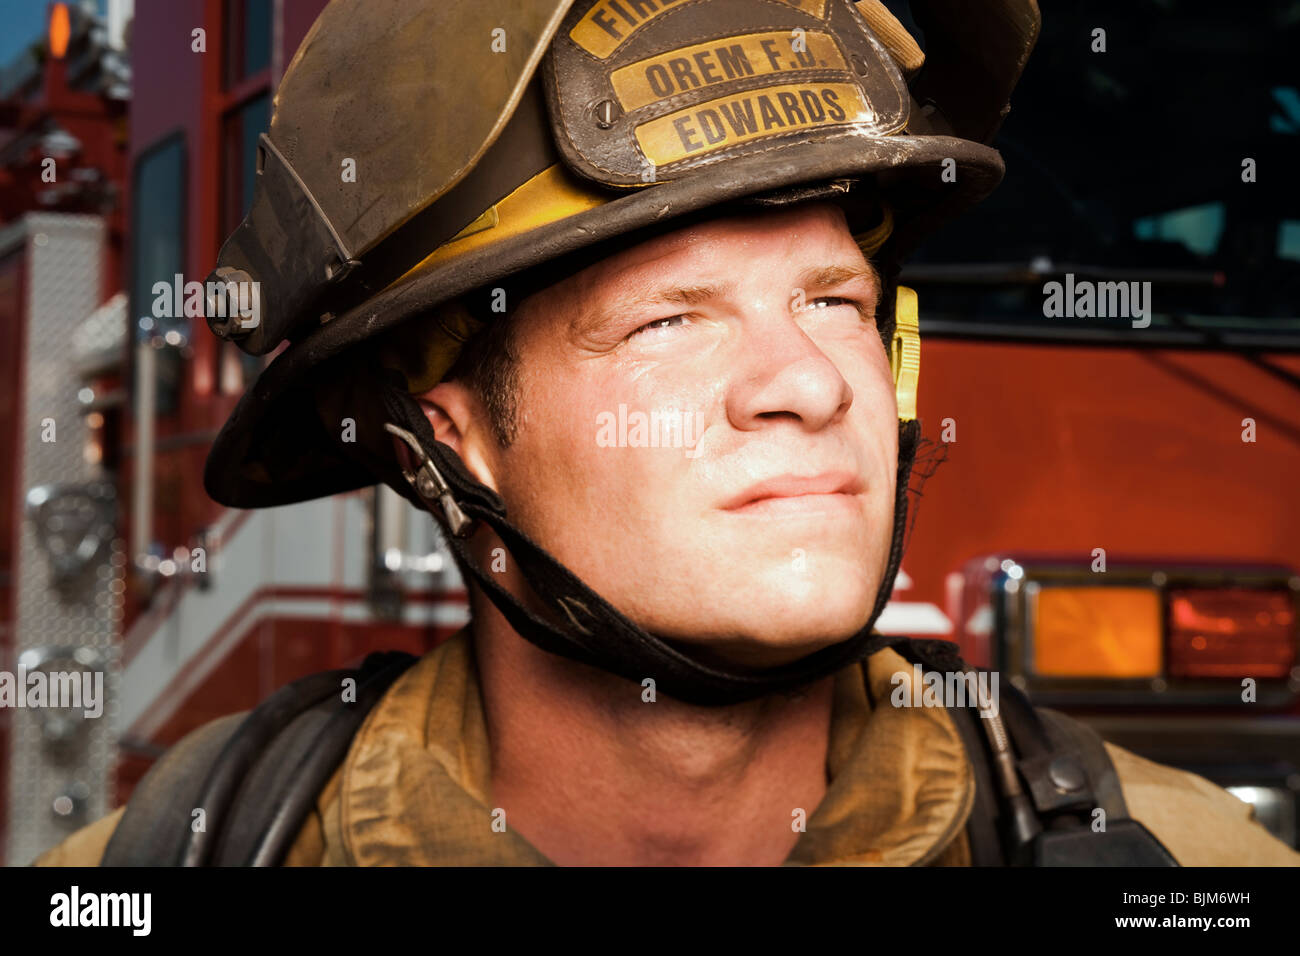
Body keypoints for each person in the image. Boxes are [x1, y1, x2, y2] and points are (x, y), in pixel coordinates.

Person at [35, 0, 1300, 866]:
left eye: (834, 301)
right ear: (448, 438)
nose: (806, 384)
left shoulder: (1180, 861)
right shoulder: (192, 852)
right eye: (666, 321)